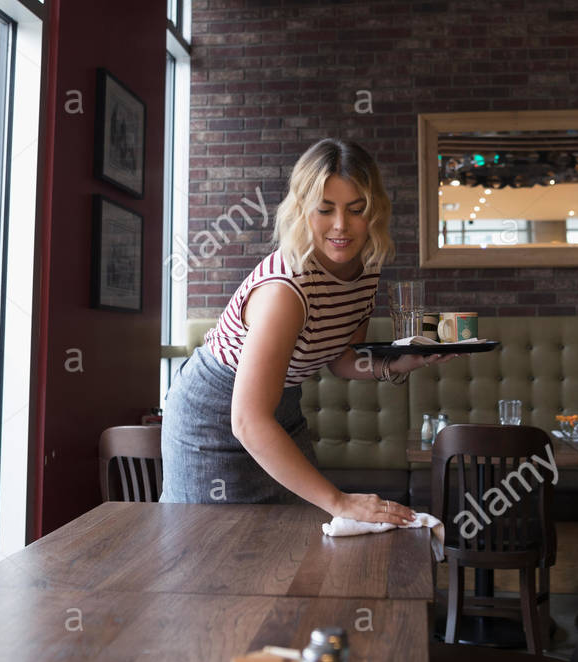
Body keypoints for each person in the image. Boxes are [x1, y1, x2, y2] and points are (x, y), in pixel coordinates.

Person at [160, 139, 451, 523]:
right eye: (325, 209)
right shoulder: (285, 288)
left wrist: (398, 363)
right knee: (215, 543)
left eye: (356, 209)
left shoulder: (367, 267)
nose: (341, 225)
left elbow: (341, 358)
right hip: (213, 415)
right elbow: (247, 419)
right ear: (301, 210)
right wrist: (340, 501)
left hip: (279, 406)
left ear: (374, 211)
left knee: (296, 536)